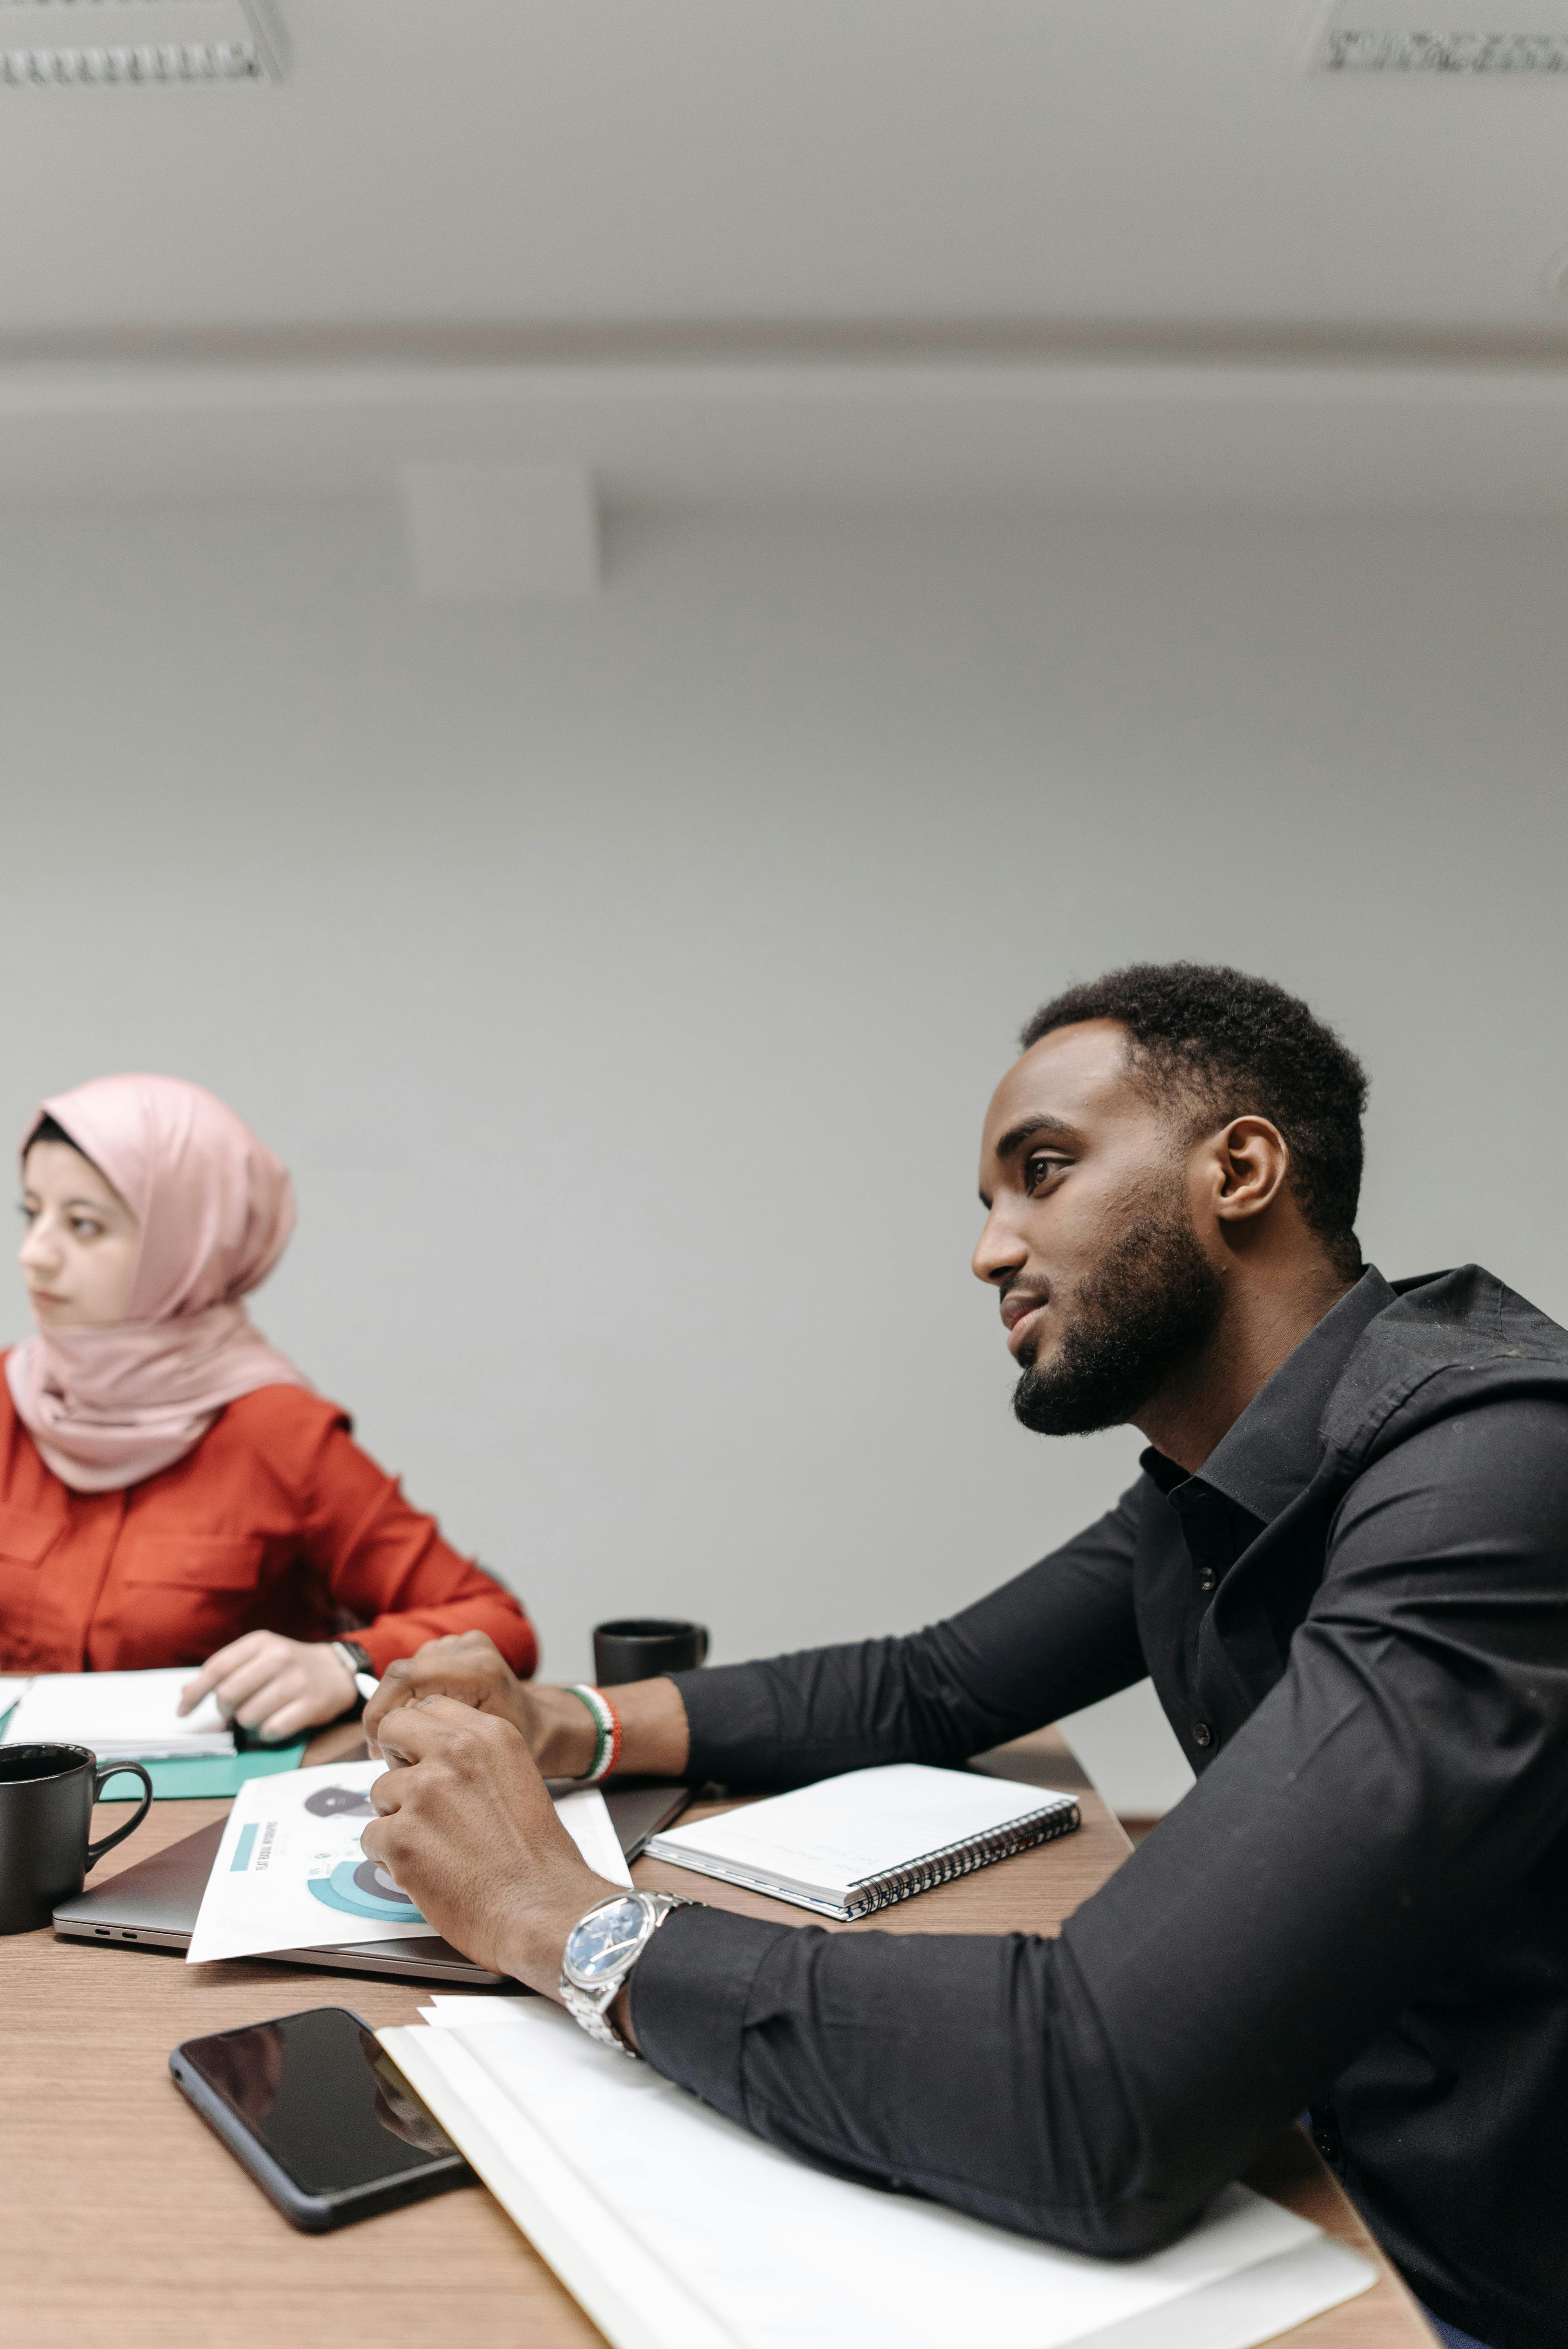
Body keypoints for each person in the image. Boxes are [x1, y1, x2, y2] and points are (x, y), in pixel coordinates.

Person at [361, 964, 1568, 2349]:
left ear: (1238, 1169)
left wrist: (553, 1915)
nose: (991, 1251)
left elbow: (1099, 2082)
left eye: (1040, 1173)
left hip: (1470, 2281)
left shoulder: (1497, 1467)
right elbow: (930, 1682)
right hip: (1322, 2169)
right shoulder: (1227, 1476)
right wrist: (564, 1716)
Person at [0, 1074, 535, 1739]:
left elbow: (497, 1623)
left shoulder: (280, 1434)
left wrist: (345, 1665)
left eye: (84, 1225)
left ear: (187, 1243)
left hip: (200, 1822)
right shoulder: (5, 1400)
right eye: (31, 1213)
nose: (34, 1256)